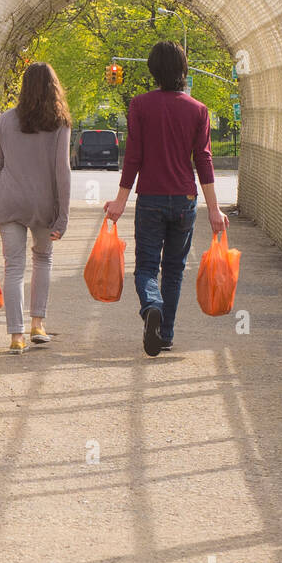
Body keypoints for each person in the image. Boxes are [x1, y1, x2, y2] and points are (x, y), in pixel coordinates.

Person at [104, 41, 229, 355]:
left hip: (151, 199)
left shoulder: (140, 105)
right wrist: (214, 209)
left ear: (153, 71)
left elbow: (133, 157)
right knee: (174, 269)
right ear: (183, 70)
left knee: (146, 267)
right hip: (185, 200)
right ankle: (166, 333)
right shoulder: (198, 110)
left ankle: (152, 306)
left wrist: (120, 201)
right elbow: (204, 160)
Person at [0, 62, 72, 353]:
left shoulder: (6, 119)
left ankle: (16, 336)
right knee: (42, 260)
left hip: (9, 202)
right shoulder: (59, 123)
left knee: (14, 267)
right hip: (43, 205)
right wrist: (62, 216)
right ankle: (37, 325)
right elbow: (62, 172)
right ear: (53, 88)